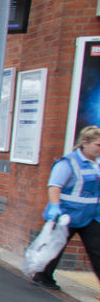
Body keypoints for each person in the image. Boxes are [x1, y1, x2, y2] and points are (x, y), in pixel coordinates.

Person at [32, 124, 100, 292]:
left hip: (90, 215)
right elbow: (54, 186)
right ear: (85, 142)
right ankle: (42, 276)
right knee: (56, 246)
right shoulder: (68, 163)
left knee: (97, 249)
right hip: (66, 214)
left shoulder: (97, 163)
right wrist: (55, 207)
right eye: (98, 144)